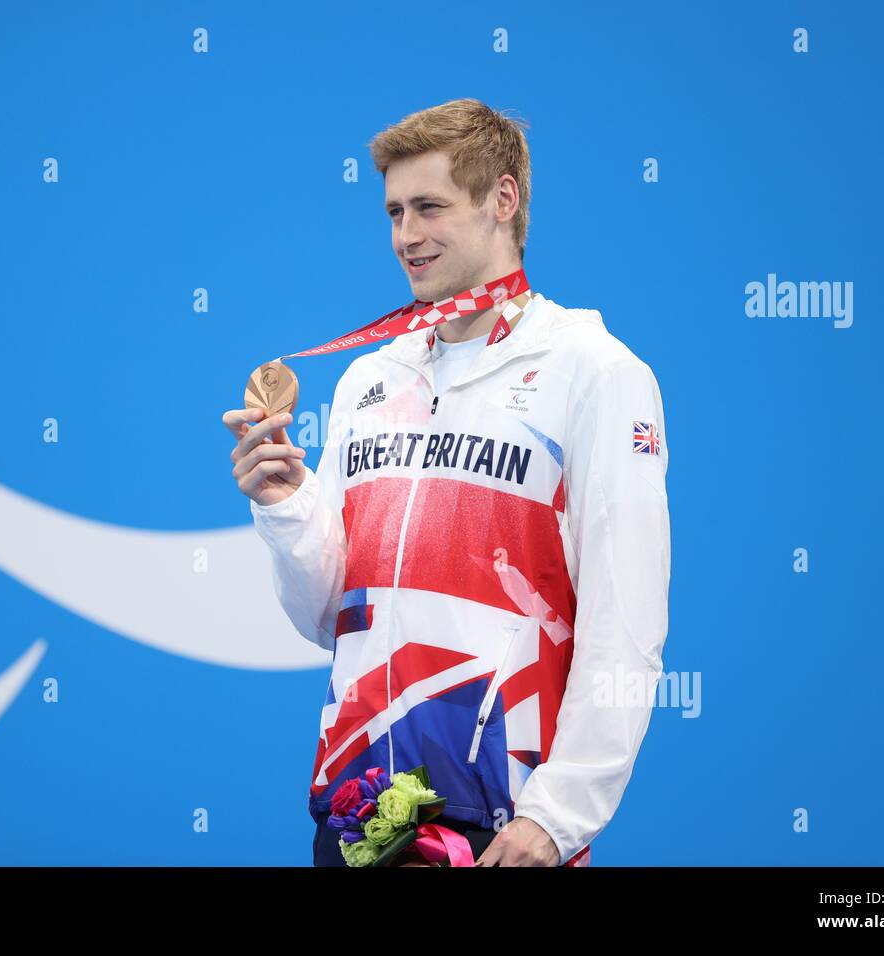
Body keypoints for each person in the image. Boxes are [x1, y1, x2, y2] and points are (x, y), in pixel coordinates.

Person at [221, 98, 671, 867]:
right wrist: (287, 507)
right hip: (357, 808)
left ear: (504, 199)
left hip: (503, 821)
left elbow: (625, 628)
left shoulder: (594, 373)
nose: (406, 236)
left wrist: (559, 817)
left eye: (430, 207)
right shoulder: (372, 377)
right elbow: (329, 616)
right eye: (394, 211)